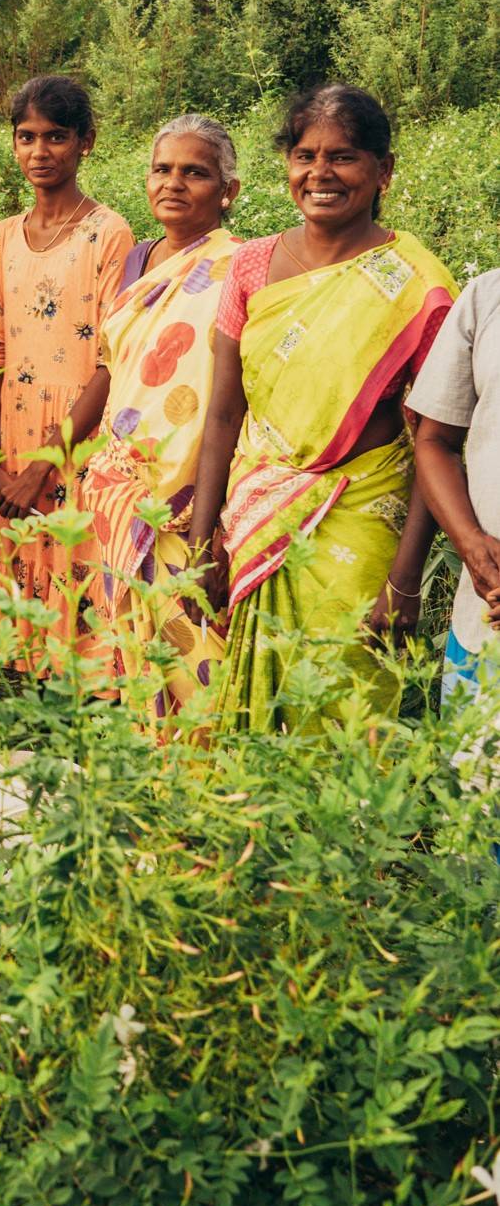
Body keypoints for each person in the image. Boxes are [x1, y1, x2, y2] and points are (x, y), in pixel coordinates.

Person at [186, 85, 456, 731]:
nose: (319, 173)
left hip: (361, 517)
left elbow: (433, 440)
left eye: (342, 156)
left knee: (345, 706)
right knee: (253, 714)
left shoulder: (416, 283)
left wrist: (405, 578)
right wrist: (201, 535)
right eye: (303, 154)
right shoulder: (250, 265)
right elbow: (223, 414)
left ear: (382, 170)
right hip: (254, 511)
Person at [79, 114, 240, 723]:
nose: (174, 183)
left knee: (197, 654)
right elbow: (114, 367)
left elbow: (234, 401)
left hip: (189, 497)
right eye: (162, 169)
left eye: (195, 172)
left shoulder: (242, 267)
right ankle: (148, 795)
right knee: (130, 650)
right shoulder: (135, 262)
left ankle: (205, 796)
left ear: (228, 190)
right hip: (120, 493)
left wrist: (215, 520)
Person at [0, 76, 134, 650]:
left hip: (78, 440)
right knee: (21, 596)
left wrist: (45, 465)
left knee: (80, 584)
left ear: (85, 142)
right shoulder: (1, 238)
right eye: (26, 137)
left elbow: (109, 362)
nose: (39, 152)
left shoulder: (108, 233)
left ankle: (86, 724)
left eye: (56, 137)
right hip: (13, 442)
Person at [406, 270, 500, 706]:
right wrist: (471, 547)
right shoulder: (487, 296)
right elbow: (435, 440)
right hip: (486, 613)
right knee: (479, 771)